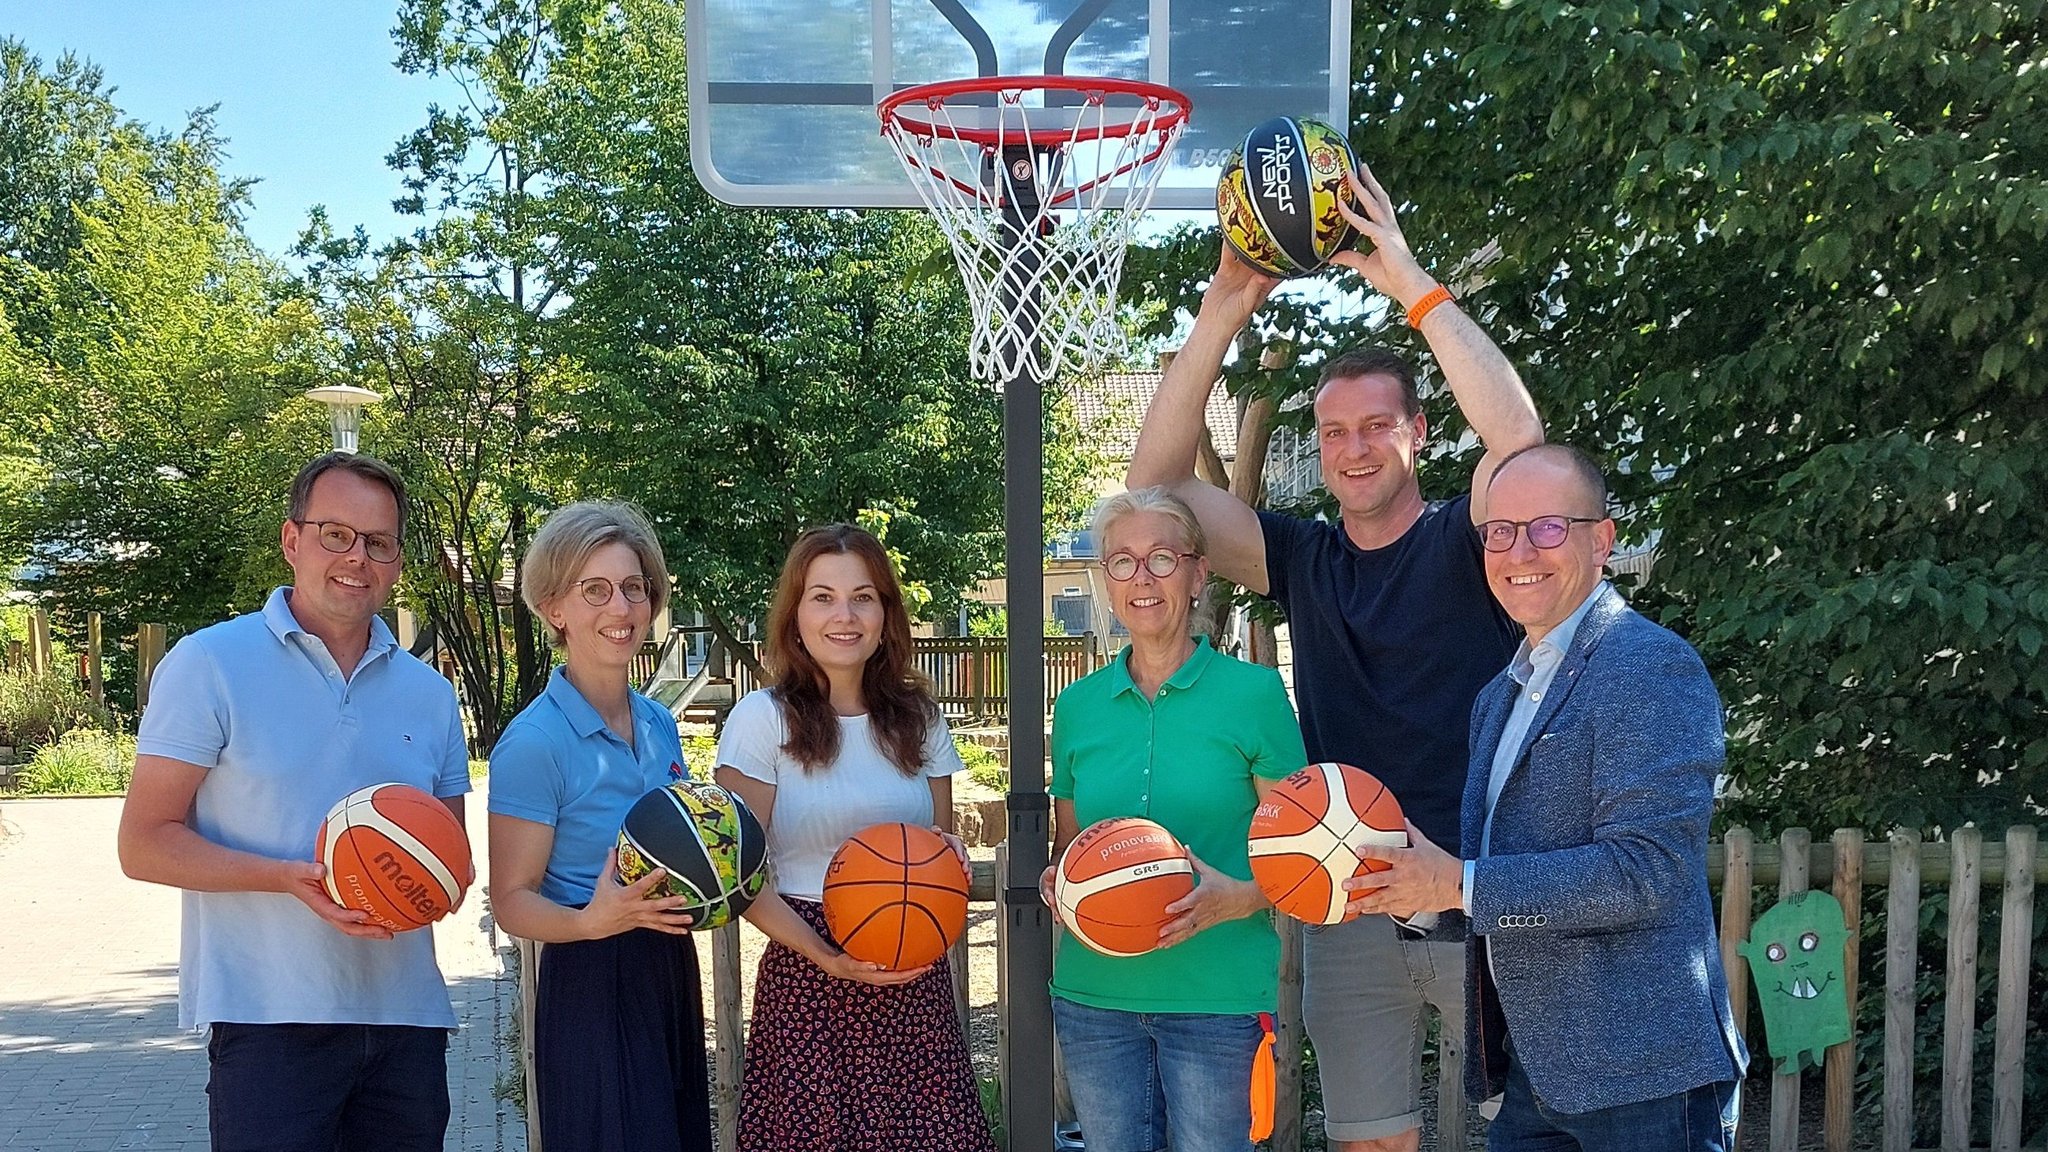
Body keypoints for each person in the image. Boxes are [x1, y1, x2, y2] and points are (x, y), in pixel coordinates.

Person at [1125, 162, 1545, 1150]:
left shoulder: (1468, 539)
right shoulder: (1304, 560)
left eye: (1373, 428)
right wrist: (1224, 304)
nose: (1350, 449)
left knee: (1535, 1134)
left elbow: (1520, 439)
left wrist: (1410, 283)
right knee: (1368, 1141)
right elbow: (1151, 488)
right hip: (1345, 898)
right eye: (1331, 432)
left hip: (1474, 886)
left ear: (1417, 435)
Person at [1345, 444, 1748, 1151]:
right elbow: (1495, 890)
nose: (1518, 548)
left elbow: (1643, 873)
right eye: (1499, 530)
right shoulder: (1498, 696)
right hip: (1537, 1078)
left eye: (1548, 527)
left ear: (1603, 540)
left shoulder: (1649, 666)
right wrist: (1419, 893)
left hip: (1645, 1080)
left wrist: (1460, 881)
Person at [118, 452, 471, 1152]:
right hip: (267, 1021)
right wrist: (289, 878)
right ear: (292, 540)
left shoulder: (428, 695)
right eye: (336, 534)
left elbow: (450, 866)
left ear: (398, 560)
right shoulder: (210, 663)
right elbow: (144, 844)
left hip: (406, 1021)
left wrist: (419, 888)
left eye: (379, 543)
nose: (357, 558)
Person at [1036, 487, 1308, 1152]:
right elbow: (1072, 848)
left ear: (1197, 572)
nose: (1142, 579)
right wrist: (1059, 882)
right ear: (1106, 579)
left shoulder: (1256, 695)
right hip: (1096, 998)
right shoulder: (1077, 707)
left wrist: (1241, 897)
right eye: (1122, 562)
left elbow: (1305, 855)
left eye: (1162, 558)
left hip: (1219, 998)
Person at [714, 524, 995, 1152]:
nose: (845, 615)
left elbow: (939, 844)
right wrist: (827, 956)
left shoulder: (918, 719)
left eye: (863, 597)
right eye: (823, 597)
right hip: (808, 977)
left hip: (910, 980)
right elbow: (739, 875)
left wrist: (950, 859)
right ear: (795, 615)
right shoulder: (762, 720)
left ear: (885, 614)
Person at [485, 501, 713, 1152]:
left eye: (633, 588)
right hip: (589, 977)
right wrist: (591, 921)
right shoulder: (534, 743)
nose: (621, 608)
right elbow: (512, 901)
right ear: (555, 607)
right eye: (596, 590)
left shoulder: (660, 723)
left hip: (668, 966)